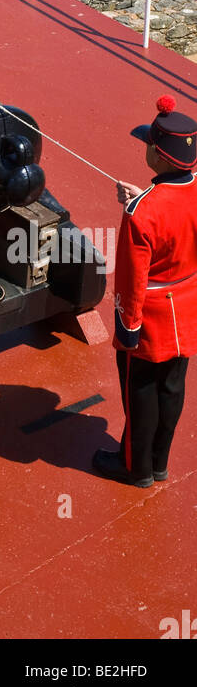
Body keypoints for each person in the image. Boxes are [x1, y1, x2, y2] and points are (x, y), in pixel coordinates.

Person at [93, 95, 197, 487]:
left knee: (140, 392)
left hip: (150, 314)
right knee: (172, 386)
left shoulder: (142, 213)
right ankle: (158, 463)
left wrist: (127, 326)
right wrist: (146, 197)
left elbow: (132, 278)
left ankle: (134, 468)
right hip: (187, 307)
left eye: (149, 146)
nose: (146, 150)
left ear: (160, 156)